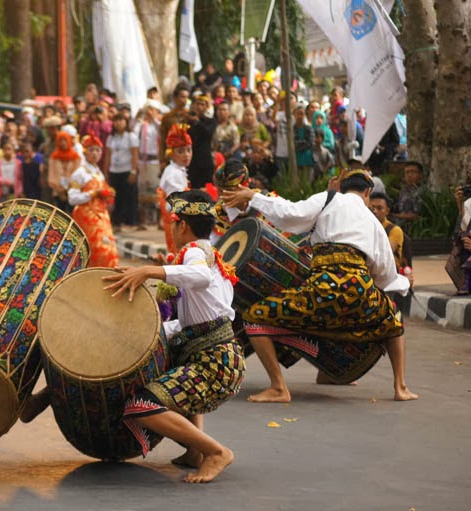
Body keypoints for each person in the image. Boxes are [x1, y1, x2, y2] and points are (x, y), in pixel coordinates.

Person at [221, 169, 419, 402]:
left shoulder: (329, 199)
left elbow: (289, 213)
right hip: (361, 294)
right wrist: (401, 282)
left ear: (340, 187)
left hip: (322, 291)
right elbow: (385, 275)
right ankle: (400, 387)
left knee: (255, 317)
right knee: (393, 319)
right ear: (367, 192)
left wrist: (253, 196)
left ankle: (278, 388)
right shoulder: (373, 222)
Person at [103, 189, 244, 483]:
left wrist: (149, 271)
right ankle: (195, 450)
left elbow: (199, 277)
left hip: (214, 362)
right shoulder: (213, 257)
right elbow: (192, 321)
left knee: (140, 406)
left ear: (182, 225)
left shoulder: (195, 253)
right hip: (222, 359)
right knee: (181, 365)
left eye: (171, 222)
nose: (170, 228)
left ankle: (216, 452)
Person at [68, 134, 118, 267]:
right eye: (91, 150)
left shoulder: (99, 173)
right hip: (87, 217)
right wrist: (93, 193)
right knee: (95, 250)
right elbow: (72, 198)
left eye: (97, 150)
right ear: (85, 152)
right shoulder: (79, 173)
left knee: (109, 249)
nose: (95, 153)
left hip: (101, 216)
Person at [157, 124, 193, 254]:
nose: (186, 155)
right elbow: (174, 204)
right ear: (171, 154)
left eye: (189, 150)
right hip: (177, 224)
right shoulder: (173, 173)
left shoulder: (176, 170)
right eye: (181, 151)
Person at [104, 114, 139, 230]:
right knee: (116, 197)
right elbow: (108, 155)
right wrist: (106, 172)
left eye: (121, 120)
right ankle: (117, 222)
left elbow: (134, 154)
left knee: (129, 197)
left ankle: (131, 222)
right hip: (114, 170)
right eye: (116, 121)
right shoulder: (111, 137)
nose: (119, 123)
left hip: (127, 170)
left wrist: (133, 171)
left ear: (126, 122)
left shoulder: (131, 136)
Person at [47, 130, 81, 213]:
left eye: (65, 140)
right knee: (60, 214)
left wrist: (68, 189)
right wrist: (60, 191)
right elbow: (52, 174)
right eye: (60, 140)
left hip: (72, 191)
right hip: (58, 191)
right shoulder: (54, 157)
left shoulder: (75, 157)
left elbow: (78, 174)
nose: (63, 143)